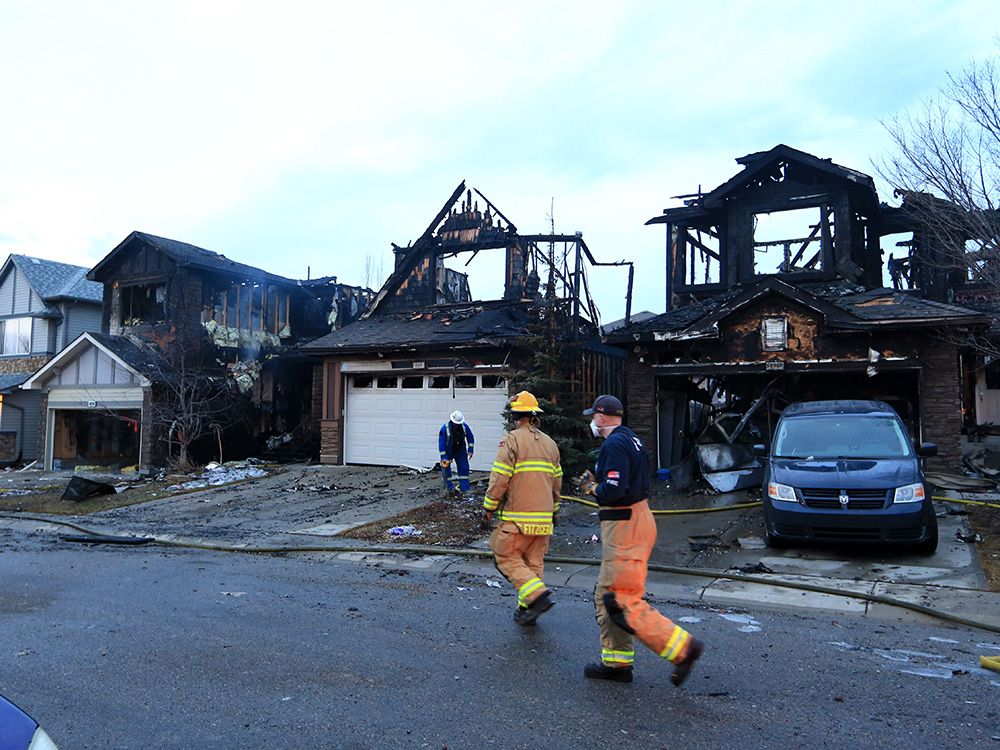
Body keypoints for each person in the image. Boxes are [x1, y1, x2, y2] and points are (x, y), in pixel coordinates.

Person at [579, 394, 704, 686]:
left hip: (625, 525)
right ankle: (617, 664)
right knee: (606, 593)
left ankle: (683, 648)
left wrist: (591, 487)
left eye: (594, 416)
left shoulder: (614, 443)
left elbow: (615, 488)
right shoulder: (632, 440)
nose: (592, 422)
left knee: (618, 599)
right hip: (634, 520)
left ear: (603, 417)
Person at [482, 391, 562, 626]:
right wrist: (554, 511)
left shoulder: (512, 440)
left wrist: (488, 508)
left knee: (505, 555)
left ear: (516, 416)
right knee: (533, 564)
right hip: (544, 520)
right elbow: (557, 483)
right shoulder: (551, 444)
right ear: (535, 415)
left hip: (517, 519)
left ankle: (537, 597)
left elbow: (500, 479)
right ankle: (526, 609)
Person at [439, 411, 475, 496]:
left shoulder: (464, 427)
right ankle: (448, 489)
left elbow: (471, 437)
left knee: (464, 469)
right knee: (446, 472)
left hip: (460, 451)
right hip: (448, 451)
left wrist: (470, 449)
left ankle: (464, 489)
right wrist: (443, 457)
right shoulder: (445, 428)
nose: (457, 425)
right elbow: (441, 443)